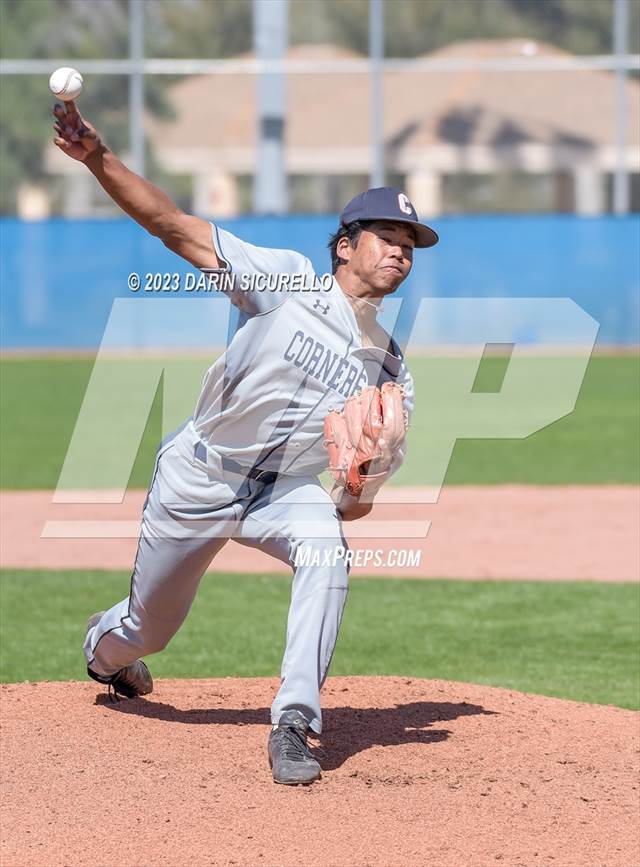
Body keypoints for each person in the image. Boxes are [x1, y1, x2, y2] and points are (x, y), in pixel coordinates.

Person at [52, 99, 438, 786]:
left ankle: (293, 722)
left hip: (284, 493)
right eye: (387, 234)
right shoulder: (283, 280)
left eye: (410, 243)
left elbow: (354, 505)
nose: (402, 250)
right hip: (199, 476)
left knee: (327, 548)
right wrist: (97, 158)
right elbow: (173, 227)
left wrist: (358, 482)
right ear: (346, 244)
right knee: (147, 632)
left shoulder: (390, 369)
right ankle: (102, 650)